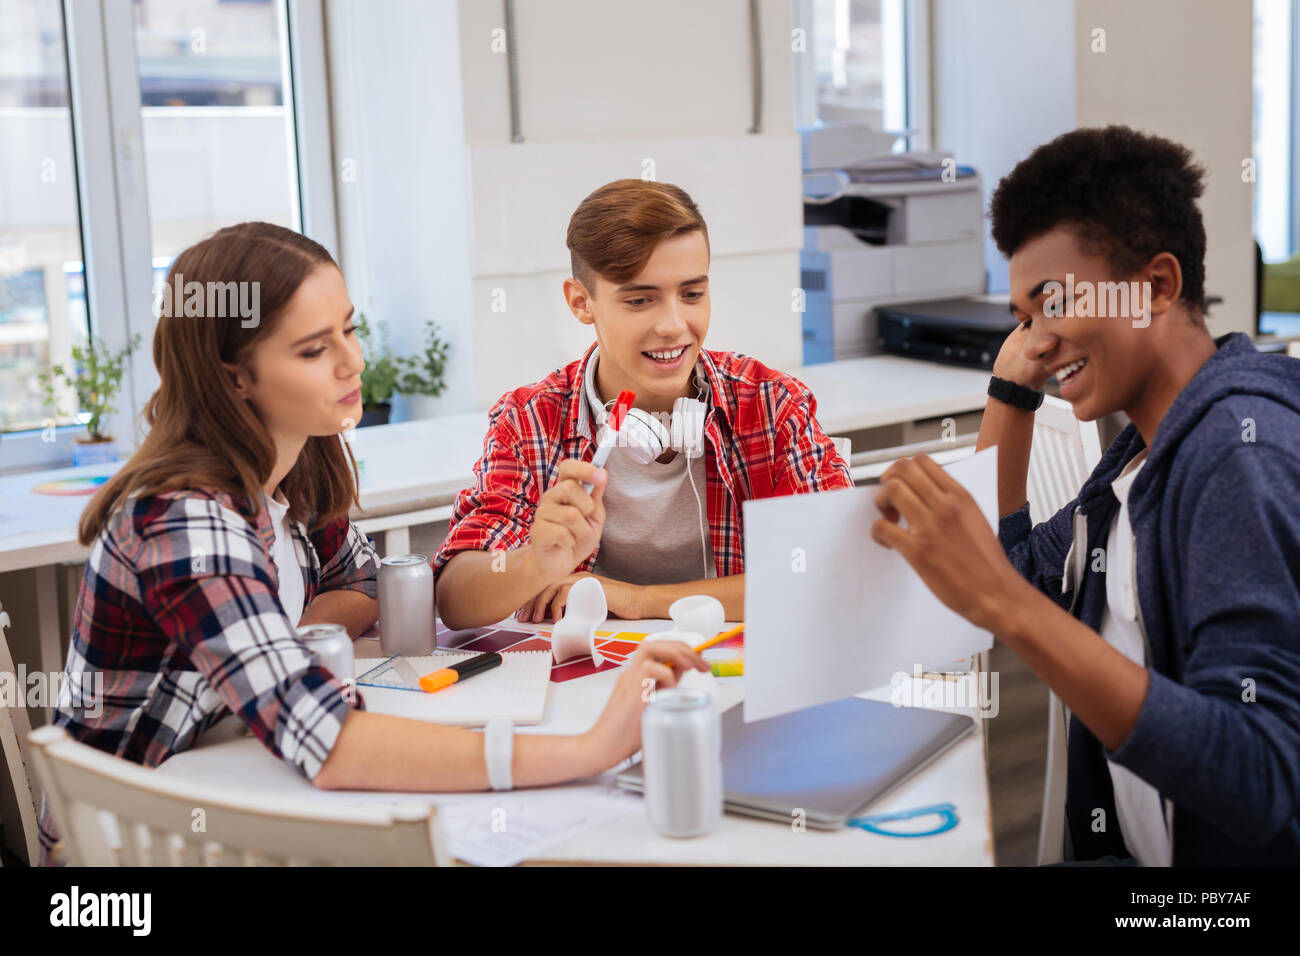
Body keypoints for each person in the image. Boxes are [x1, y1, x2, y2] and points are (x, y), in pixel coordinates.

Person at [38, 221, 704, 865]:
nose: (353, 361)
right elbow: (330, 744)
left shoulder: (294, 463)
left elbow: (362, 582)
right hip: (128, 837)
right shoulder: (185, 523)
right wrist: (589, 750)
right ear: (234, 377)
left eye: (349, 330)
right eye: (312, 350)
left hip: (234, 775)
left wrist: (286, 642)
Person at [870, 126, 1300, 865]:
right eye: (1022, 317)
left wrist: (1007, 605)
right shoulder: (1139, 458)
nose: (1035, 339)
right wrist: (1010, 393)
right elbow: (1017, 574)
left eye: (1055, 303)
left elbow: (1260, 776)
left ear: (1156, 287)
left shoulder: (1235, 454)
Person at [435, 179, 852, 628]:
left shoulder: (772, 404)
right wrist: (533, 563)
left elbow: (831, 570)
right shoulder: (530, 419)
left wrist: (641, 599)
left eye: (692, 294)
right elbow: (455, 600)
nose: (674, 325)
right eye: (640, 300)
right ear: (581, 302)